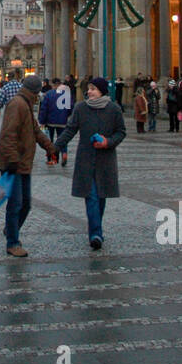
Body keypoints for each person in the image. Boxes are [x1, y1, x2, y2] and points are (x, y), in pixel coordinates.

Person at [54, 77, 126, 249]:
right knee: (91, 196)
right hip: (86, 159)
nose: (89, 92)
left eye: (93, 89)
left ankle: (96, 228)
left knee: (101, 198)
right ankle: (96, 233)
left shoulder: (114, 109)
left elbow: (121, 132)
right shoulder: (81, 108)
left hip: (105, 160)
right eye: (89, 89)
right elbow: (70, 130)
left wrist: (108, 142)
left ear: (102, 90)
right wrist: (55, 147)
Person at [0, 75, 57, 257]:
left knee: (25, 204)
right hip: (13, 163)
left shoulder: (26, 104)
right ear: (35, 92)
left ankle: (10, 229)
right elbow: (8, 135)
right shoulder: (18, 104)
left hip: (22, 162)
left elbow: (35, 130)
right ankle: (13, 242)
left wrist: (50, 147)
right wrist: (12, 160)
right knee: (15, 204)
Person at [38, 77, 72, 167]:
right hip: (63, 122)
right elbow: (70, 107)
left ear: (52, 84)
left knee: (50, 141)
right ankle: (64, 154)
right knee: (63, 139)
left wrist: (42, 121)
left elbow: (44, 109)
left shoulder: (48, 94)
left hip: (50, 122)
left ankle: (52, 158)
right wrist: (66, 116)